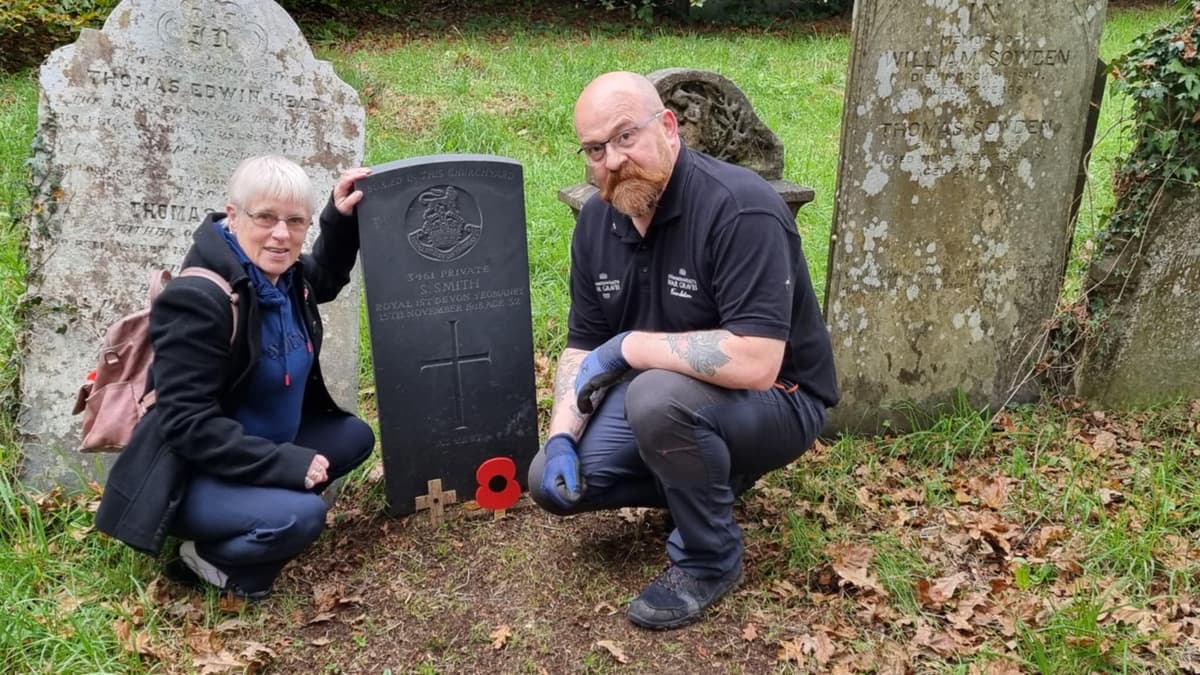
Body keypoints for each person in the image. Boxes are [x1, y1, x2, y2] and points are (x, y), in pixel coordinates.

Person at [528, 72, 839, 629]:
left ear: (669, 128)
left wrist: (631, 345)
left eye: (626, 137)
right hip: (679, 399)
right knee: (549, 486)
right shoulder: (598, 221)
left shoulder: (741, 208)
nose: (613, 160)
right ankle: (709, 478)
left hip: (782, 399)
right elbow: (582, 346)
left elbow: (758, 361)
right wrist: (558, 439)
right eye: (596, 149)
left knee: (654, 395)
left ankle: (709, 557)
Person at [95, 155, 375, 600]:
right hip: (195, 472)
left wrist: (336, 219)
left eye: (295, 222)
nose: (281, 235)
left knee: (354, 437)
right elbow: (186, 425)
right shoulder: (197, 301)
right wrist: (285, 465)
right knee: (302, 517)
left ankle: (259, 507)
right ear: (233, 215)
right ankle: (207, 560)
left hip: (256, 444)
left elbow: (323, 278)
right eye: (265, 217)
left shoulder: (286, 277)